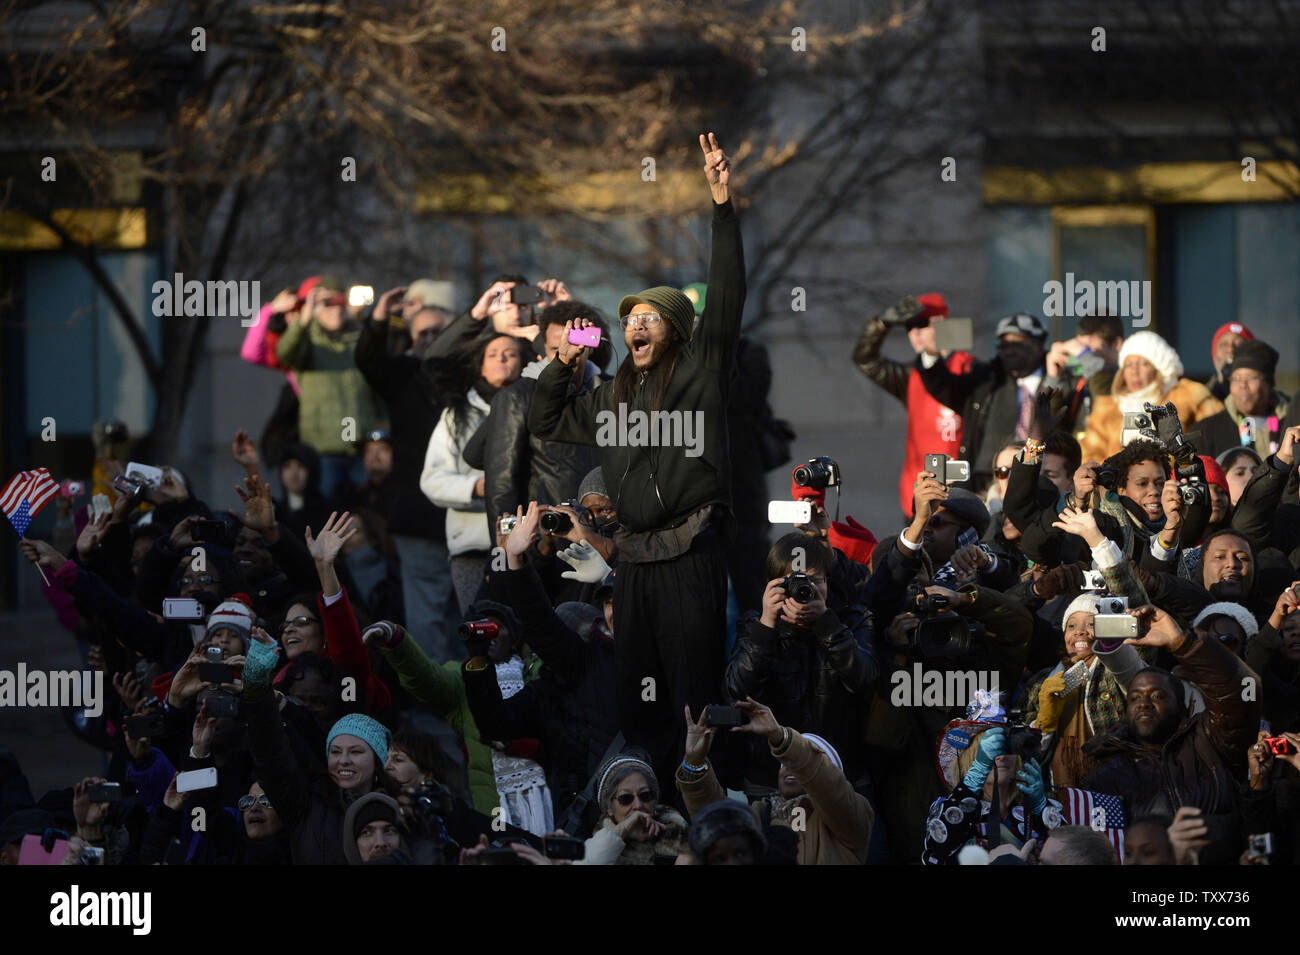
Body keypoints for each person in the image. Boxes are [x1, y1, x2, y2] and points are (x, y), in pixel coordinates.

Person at [527, 133, 745, 780]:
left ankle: (709, 798)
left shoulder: (703, 370)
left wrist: (722, 204)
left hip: (690, 551)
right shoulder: (613, 393)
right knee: (638, 696)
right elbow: (547, 418)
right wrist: (565, 362)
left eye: (649, 317)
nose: (634, 326)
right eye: (628, 320)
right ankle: (644, 803)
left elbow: (728, 289)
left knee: (693, 695)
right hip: (635, 559)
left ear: (675, 330)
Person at [1083, 605, 1261, 864]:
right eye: (1135, 697)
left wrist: (1183, 643)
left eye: (1157, 696)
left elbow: (1246, 688)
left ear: (1183, 706)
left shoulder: (1212, 741)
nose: (1144, 703)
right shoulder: (1105, 773)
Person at [354, 284, 459, 661]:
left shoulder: (468, 376)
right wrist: (379, 316)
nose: (431, 340)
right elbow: (367, 359)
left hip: (469, 513)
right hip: (419, 514)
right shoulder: (401, 376)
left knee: (466, 614)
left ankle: (472, 699)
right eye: (423, 333)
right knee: (426, 615)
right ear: (411, 340)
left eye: (438, 333)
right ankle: (435, 706)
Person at [724, 534, 878, 789]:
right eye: (793, 583)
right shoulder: (756, 624)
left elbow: (865, 681)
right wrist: (766, 627)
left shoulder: (853, 620)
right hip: (771, 777)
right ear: (770, 586)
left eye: (814, 582)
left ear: (828, 582)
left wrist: (827, 624)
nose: (805, 591)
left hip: (842, 773)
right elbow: (737, 692)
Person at [677, 698, 874, 865]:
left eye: (797, 763)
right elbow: (715, 821)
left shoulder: (851, 817)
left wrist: (781, 738)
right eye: (783, 764)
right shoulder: (760, 814)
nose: (788, 767)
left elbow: (830, 789)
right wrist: (694, 763)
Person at [420, 333, 527, 615]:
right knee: (480, 630)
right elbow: (432, 479)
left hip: (527, 544)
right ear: (480, 366)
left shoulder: (538, 410)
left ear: (524, 363)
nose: (501, 359)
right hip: (473, 547)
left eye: (510, 353)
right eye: (492, 354)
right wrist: (478, 487)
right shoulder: (456, 416)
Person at [915, 311, 1072, 491]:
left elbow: (1058, 420)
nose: (1010, 351)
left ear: (1038, 346)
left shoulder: (1061, 379)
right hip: (989, 481)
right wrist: (932, 353)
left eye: (1019, 344)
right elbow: (943, 387)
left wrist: (1054, 380)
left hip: (1041, 477)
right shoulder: (987, 381)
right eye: (1004, 345)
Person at [853, 292, 974, 518]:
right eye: (908, 327)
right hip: (918, 496)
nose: (914, 333)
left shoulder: (971, 370)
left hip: (960, 497)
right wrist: (881, 325)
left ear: (941, 324)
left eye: (920, 324)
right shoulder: (910, 375)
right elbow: (865, 360)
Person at [274, 277, 383, 497]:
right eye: (327, 304)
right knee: (328, 516)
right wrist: (305, 317)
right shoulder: (308, 342)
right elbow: (284, 352)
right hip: (323, 453)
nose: (335, 310)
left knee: (365, 517)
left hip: (360, 449)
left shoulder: (358, 338)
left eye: (339, 302)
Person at [1080, 330, 1223, 464]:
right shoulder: (1107, 409)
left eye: (1143, 364)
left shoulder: (1188, 396)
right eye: (1128, 365)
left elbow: (1217, 435)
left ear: (1159, 368)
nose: (1134, 372)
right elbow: (1089, 458)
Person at [574, 752, 689, 865]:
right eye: (626, 799)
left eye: (645, 795)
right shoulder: (598, 848)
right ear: (610, 809)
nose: (638, 805)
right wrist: (622, 830)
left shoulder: (679, 834)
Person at [1192, 339, 1300, 460]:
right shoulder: (1207, 431)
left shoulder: (1294, 422)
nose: (1242, 384)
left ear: (1268, 384)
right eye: (1236, 378)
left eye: (1251, 378)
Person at [1206, 321, 1254, 401]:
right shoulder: (1200, 400)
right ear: (1215, 355)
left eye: (1239, 345)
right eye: (1224, 345)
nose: (1231, 349)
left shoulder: (1269, 401)